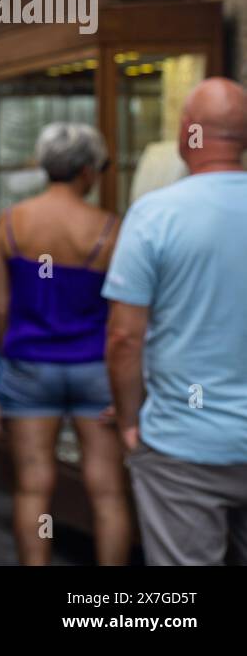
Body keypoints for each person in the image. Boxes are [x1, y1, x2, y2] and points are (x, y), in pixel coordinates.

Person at [103, 78, 247, 565]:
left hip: (182, 443)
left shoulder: (154, 215)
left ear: (189, 134)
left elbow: (124, 337)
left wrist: (128, 423)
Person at [0, 122, 129, 565]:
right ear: (88, 171)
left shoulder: (11, 224)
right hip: (94, 365)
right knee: (107, 488)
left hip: (29, 363)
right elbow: (124, 315)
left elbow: (0, 306)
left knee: (33, 484)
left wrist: (7, 352)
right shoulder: (110, 228)